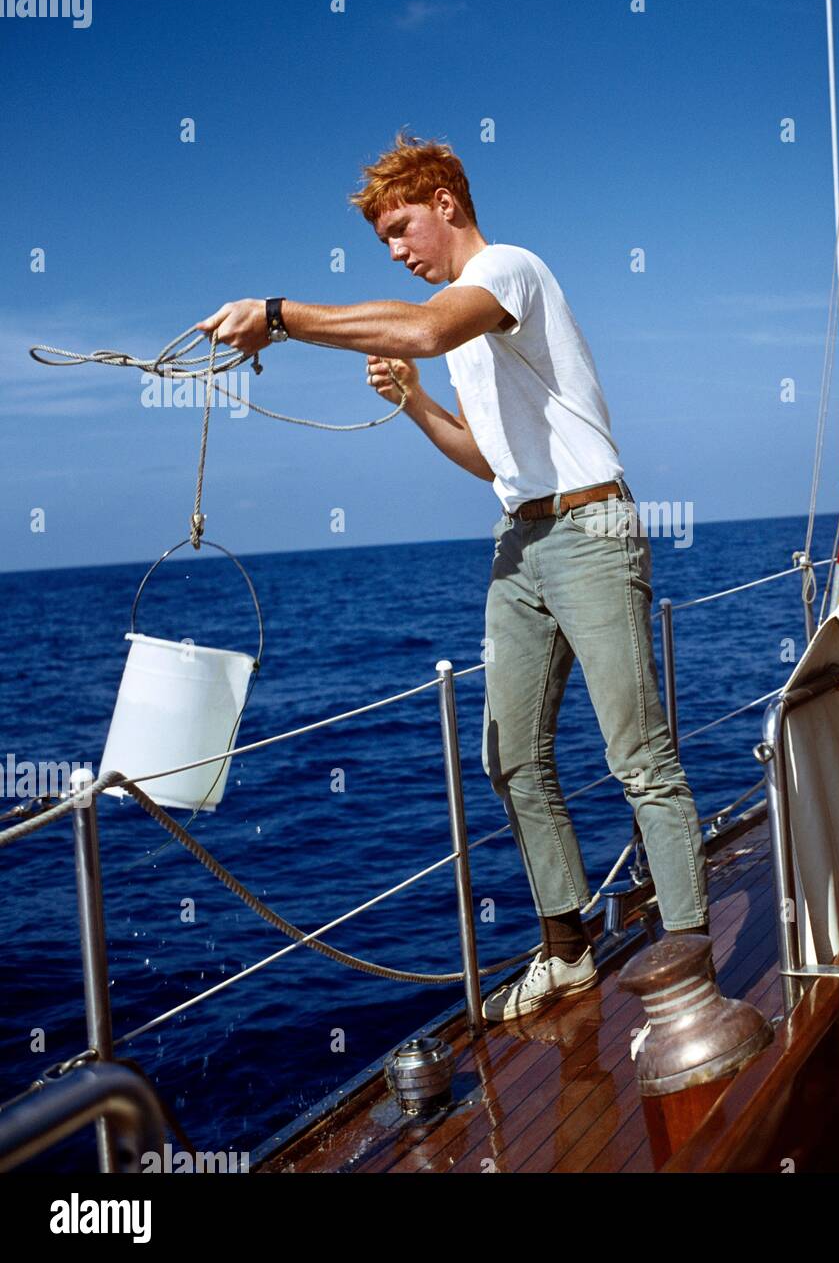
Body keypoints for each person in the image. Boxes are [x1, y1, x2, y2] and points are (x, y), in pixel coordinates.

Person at [198, 133, 709, 1022]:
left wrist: (279, 315)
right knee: (509, 757)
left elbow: (425, 326)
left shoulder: (507, 270)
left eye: (401, 229)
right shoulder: (463, 334)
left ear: (445, 200)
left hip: (591, 526)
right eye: (384, 242)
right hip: (522, 539)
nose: (397, 251)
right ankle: (567, 951)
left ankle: (690, 951)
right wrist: (416, 405)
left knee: (636, 752)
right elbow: (490, 459)